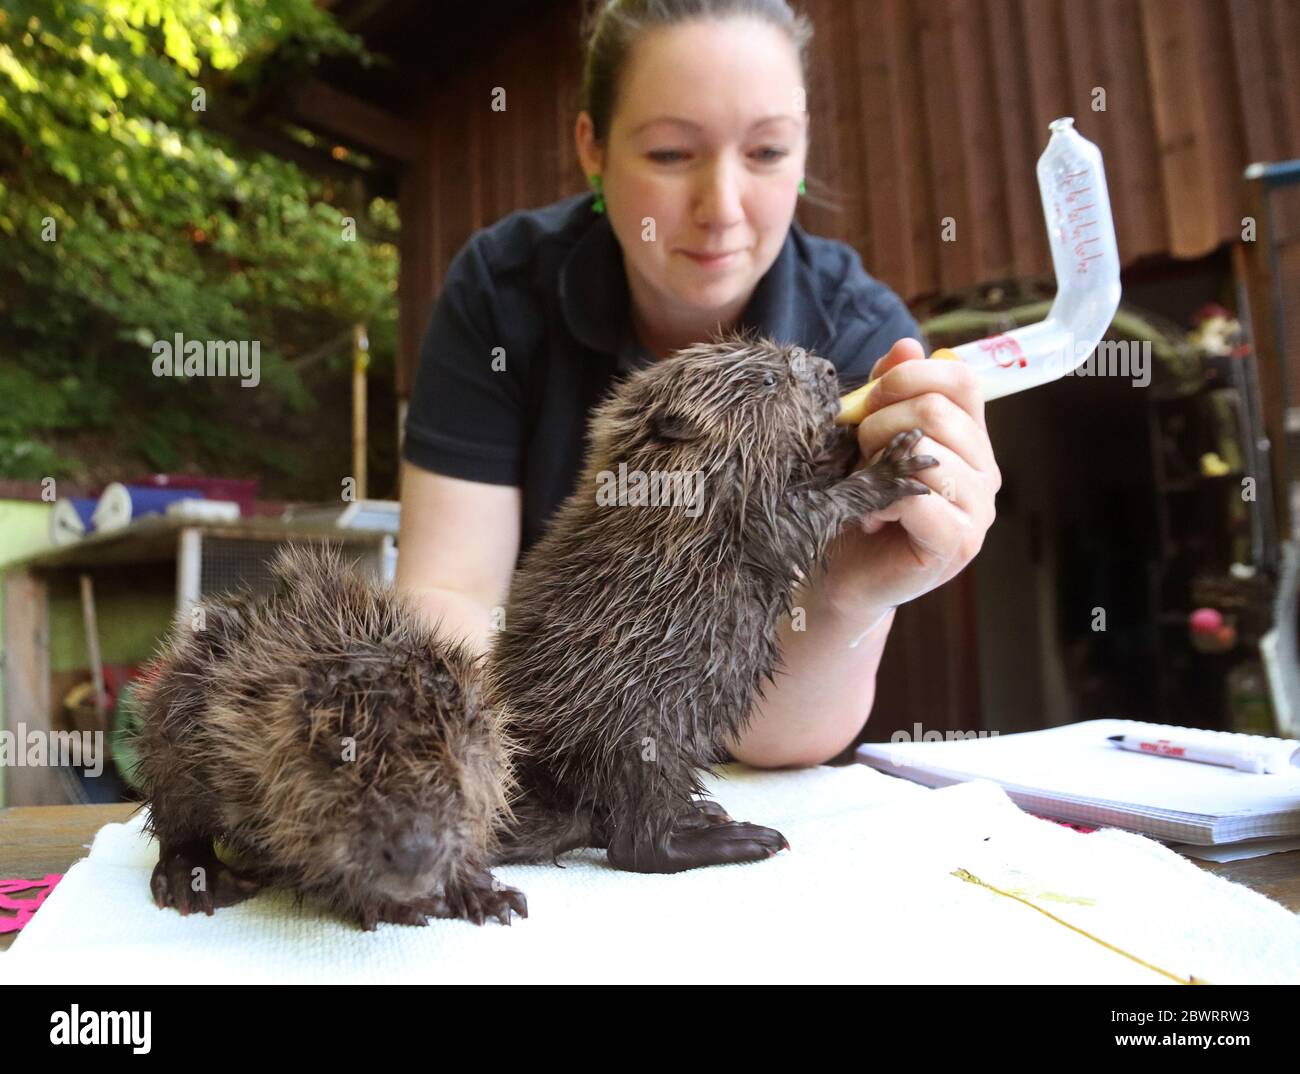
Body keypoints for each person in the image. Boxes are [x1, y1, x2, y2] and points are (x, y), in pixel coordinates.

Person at [397, 0, 1000, 768]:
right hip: (515, 741)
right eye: (672, 154)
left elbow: (775, 739)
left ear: (804, 146)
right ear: (593, 148)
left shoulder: (857, 339)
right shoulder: (502, 293)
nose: (720, 210)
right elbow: (448, 599)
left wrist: (846, 596)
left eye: (768, 152)